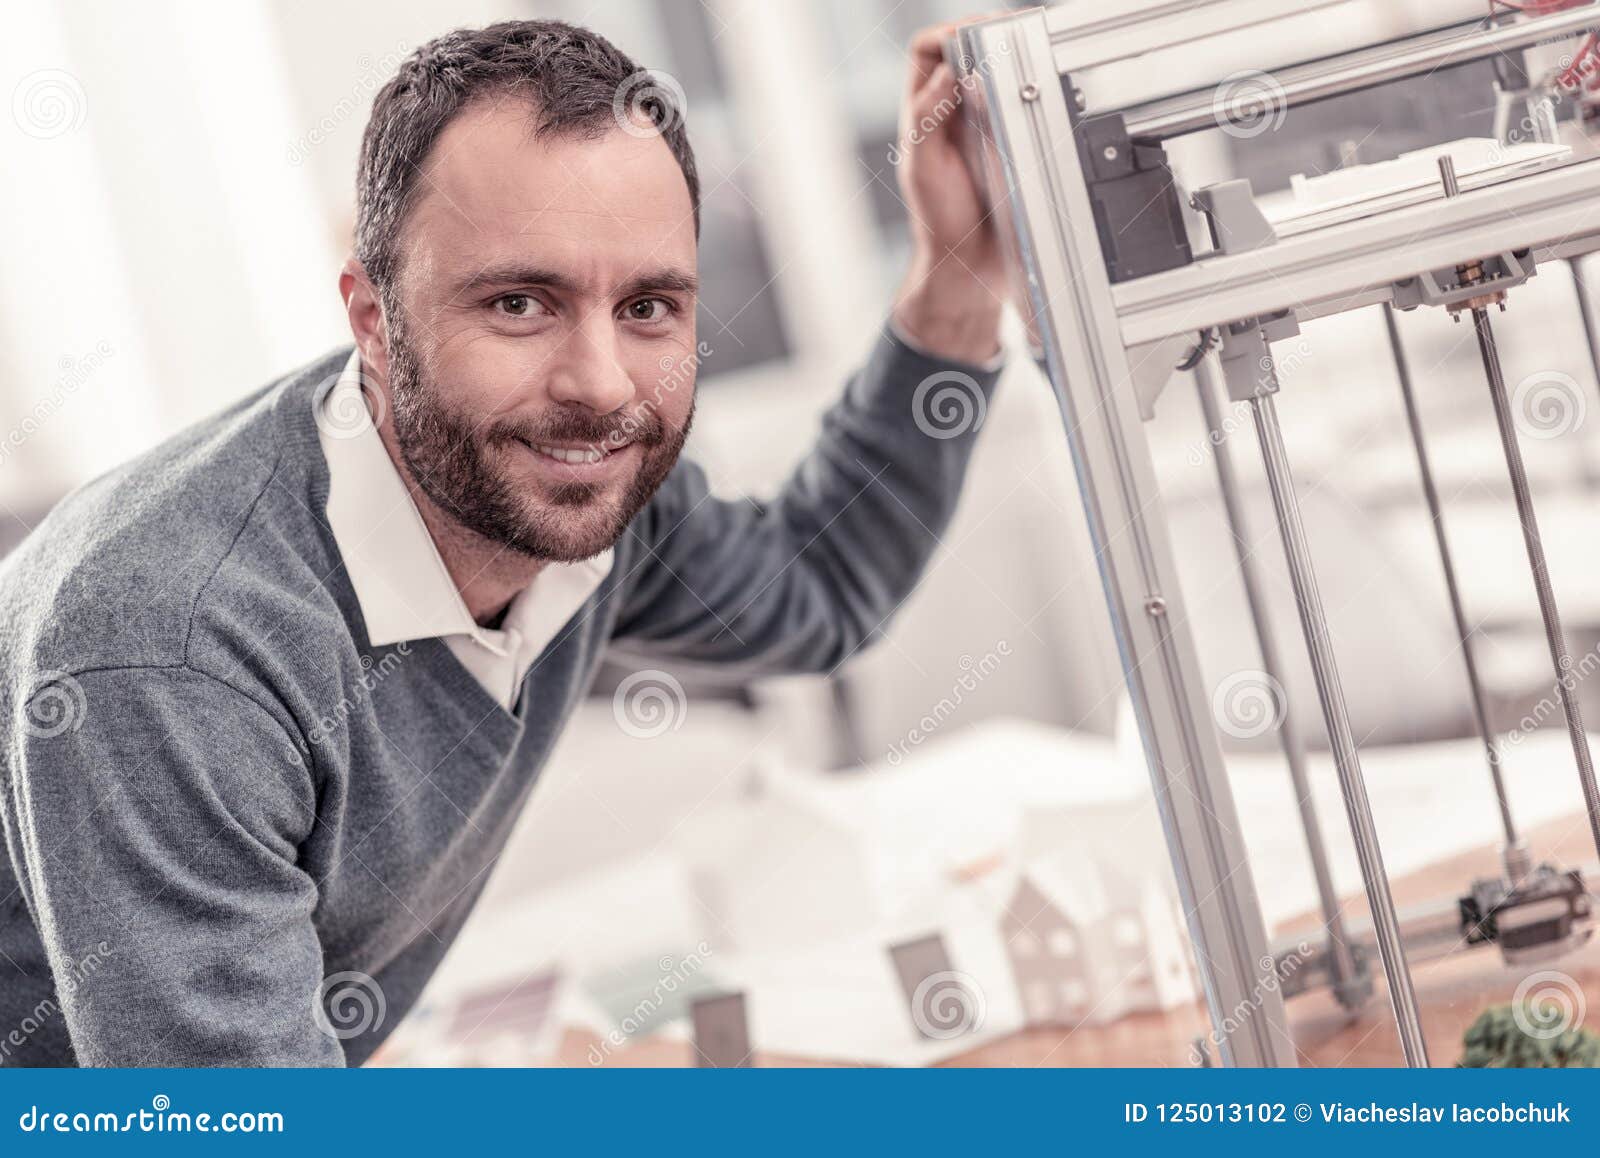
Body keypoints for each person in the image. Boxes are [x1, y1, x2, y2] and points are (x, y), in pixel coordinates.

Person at [0, 18, 1005, 1066]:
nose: (603, 386)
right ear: (374, 322)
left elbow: (821, 584)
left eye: (649, 306)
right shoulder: (174, 655)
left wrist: (963, 267)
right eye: (520, 303)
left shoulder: (583, 487)